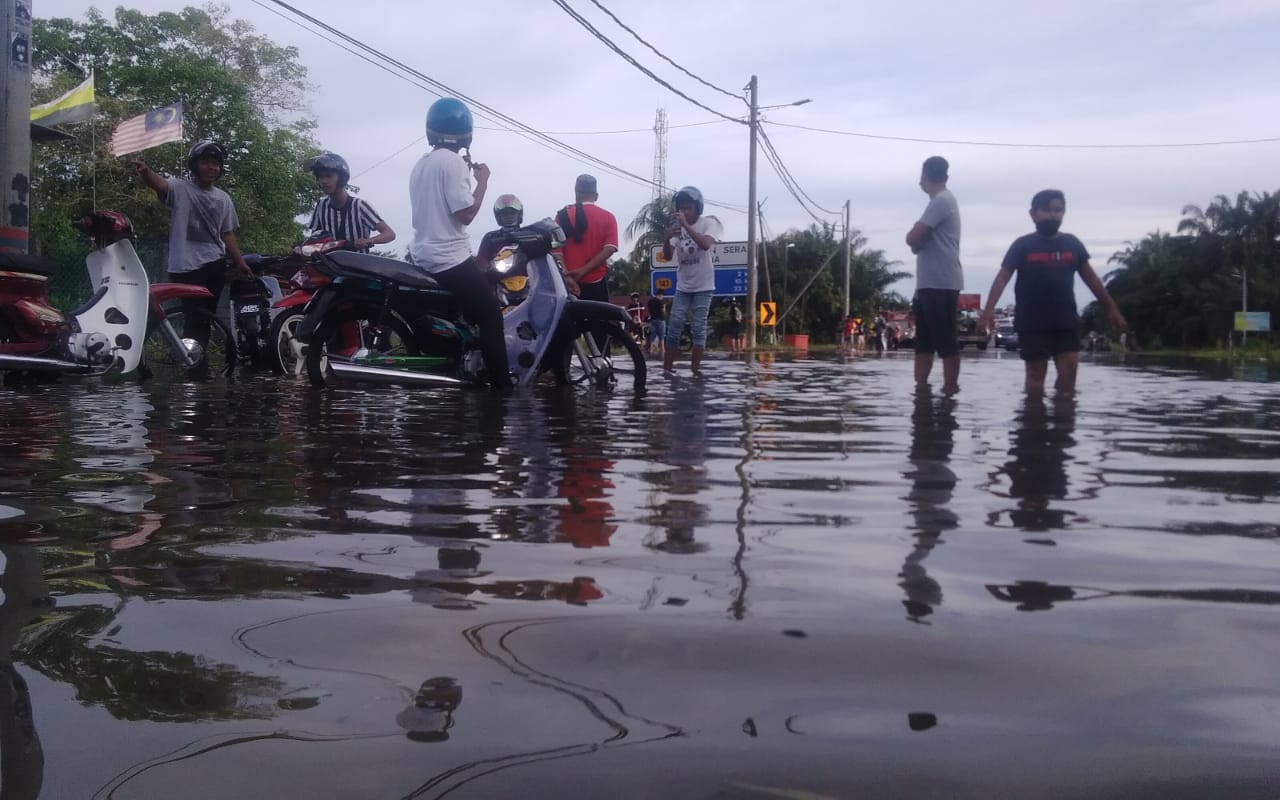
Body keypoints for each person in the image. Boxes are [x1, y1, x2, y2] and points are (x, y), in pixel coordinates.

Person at [978, 189, 1128, 394]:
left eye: (1058, 210)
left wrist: (1111, 307)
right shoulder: (1023, 245)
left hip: (1066, 321)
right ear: (1033, 214)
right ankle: (1032, 423)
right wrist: (988, 311)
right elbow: (1003, 277)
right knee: (1035, 378)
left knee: (1068, 379)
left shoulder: (1072, 244)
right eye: (1047, 210)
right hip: (1032, 322)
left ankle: (1064, 423)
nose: (1053, 215)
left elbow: (1091, 278)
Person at [407, 97, 511, 393]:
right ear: (466, 133)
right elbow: (465, 214)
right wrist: (482, 181)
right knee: (491, 318)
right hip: (449, 258)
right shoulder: (452, 163)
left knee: (467, 315)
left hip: (423, 255)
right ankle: (502, 390)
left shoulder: (422, 164)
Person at [130, 140, 251, 348]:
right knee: (192, 314)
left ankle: (196, 361)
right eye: (205, 162)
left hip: (213, 264)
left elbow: (227, 233)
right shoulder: (180, 188)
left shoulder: (223, 199)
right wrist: (146, 172)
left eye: (215, 163)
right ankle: (192, 362)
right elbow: (160, 184)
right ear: (195, 164)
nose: (211, 167)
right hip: (184, 266)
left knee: (206, 316)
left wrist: (240, 262)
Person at [904, 155, 963, 394]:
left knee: (946, 342)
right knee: (924, 342)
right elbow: (918, 240)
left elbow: (912, 238)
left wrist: (916, 241)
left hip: (941, 283)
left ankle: (949, 391)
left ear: (924, 176)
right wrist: (917, 241)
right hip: (929, 284)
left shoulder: (942, 200)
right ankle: (921, 390)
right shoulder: (941, 201)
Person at [662, 186, 723, 377]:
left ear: (697, 208)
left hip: (703, 286)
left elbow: (705, 244)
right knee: (674, 326)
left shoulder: (708, 224)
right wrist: (667, 237)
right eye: (682, 208)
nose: (685, 212)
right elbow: (666, 255)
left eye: (688, 208)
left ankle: (695, 370)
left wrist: (686, 226)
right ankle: (667, 369)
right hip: (683, 285)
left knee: (698, 327)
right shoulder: (677, 228)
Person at [305, 152, 395, 251]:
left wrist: (369, 240)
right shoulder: (321, 206)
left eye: (328, 176)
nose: (323, 181)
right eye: (320, 177)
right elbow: (315, 238)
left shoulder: (360, 206)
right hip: (328, 264)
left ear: (341, 179)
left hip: (356, 264)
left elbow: (389, 234)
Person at [557, 174, 618, 303]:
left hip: (567, 284)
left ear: (576, 193)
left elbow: (556, 251)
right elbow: (610, 249)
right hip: (597, 282)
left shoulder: (561, 216)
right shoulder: (608, 217)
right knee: (599, 322)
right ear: (596, 196)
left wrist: (568, 277)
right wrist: (583, 271)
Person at [646, 289, 667, 355]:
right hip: (660, 320)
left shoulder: (651, 301)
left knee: (653, 335)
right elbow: (663, 311)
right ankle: (663, 350)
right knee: (662, 336)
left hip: (652, 320)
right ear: (661, 295)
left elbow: (648, 310)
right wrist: (664, 306)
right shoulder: (661, 302)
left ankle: (651, 349)